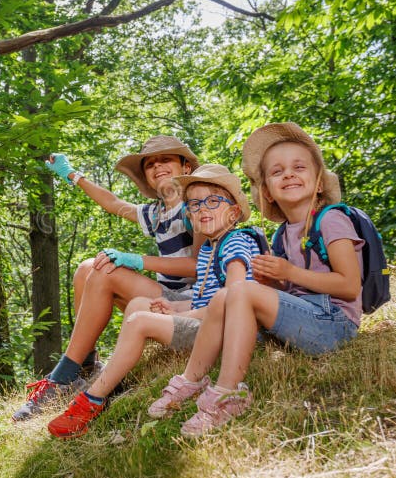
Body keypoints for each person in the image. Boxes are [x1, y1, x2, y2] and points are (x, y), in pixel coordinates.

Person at [148, 122, 363, 437]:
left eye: (298, 167)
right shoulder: (282, 234)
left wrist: (287, 273)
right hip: (304, 320)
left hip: (334, 325)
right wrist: (273, 282)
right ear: (267, 191)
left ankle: (228, 393)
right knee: (225, 296)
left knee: (240, 292)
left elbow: (348, 285)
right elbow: (288, 290)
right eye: (277, 172)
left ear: (318, 183)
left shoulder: (332, 219)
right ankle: (191, 379)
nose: (288, 174)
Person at [46, 164, 261, 438]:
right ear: (190, 217)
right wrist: (175, 309)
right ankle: (114, 376)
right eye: (195, 205)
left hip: (222, 334)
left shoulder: (235, 243)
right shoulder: (210, 247)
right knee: (138, 306)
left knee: (139, 320)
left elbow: (233, 303)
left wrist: (182, 315)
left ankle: (92, 400)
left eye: (213, 201)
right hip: (205, 321)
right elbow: (205, 298)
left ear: (233, 212)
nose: (203, 209)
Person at [13, 136, 205, 422]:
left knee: (105, 269)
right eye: (150, 164)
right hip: (164, 295)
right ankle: (85, 367)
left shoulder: (196, 205)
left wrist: (138, 260)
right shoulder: (157, 213)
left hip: (191, 305)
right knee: (86, 269)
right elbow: (113, 203)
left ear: (186, 167)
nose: (157, 167)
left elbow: (199, 266)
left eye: (165, 160)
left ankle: (62, 377)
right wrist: (72, 175)